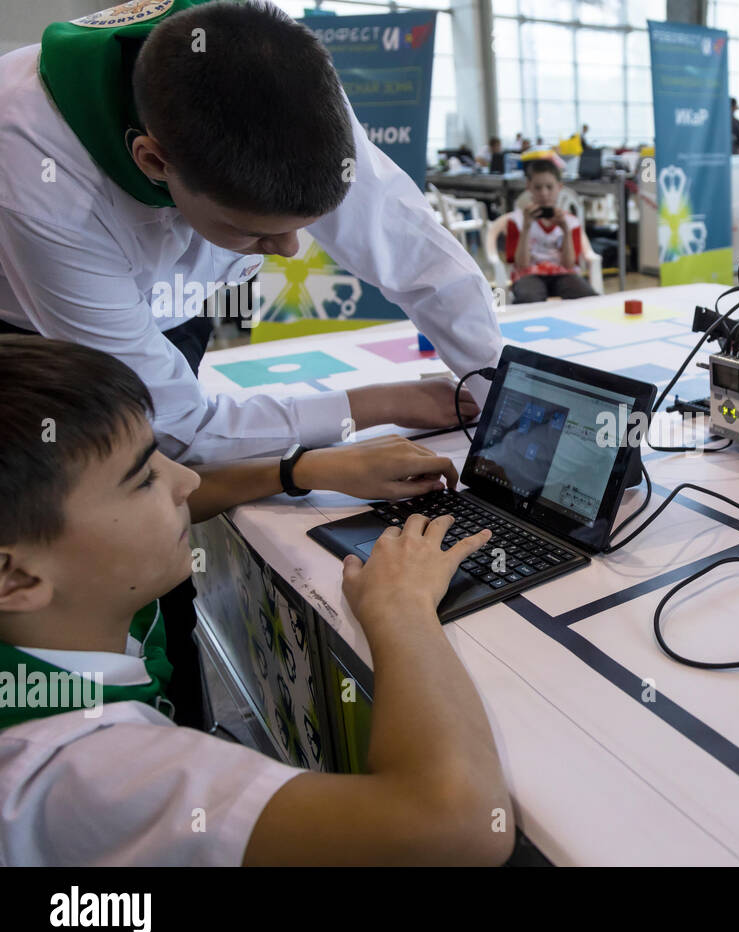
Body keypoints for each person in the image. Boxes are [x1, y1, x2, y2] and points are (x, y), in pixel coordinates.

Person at [0, 336, 515, 865]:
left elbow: (122, 512)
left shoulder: (62, 600)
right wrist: (401, 609)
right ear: (14, 577)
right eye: (143, 479)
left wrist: (302, 470)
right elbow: (458, 826)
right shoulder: (79, 772)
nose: (189, 480)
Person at [0, 1, 500, 466]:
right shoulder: (38, 174)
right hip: (35, 337)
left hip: (174, 302)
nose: (288, 251)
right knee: (115, 474)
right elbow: (176, 428)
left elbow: (416, 254)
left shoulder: (275, 74)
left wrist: (498, 391)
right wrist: (372, 404)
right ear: (155, 161)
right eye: (255, 233)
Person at [504, 156, 596, 303]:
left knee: (587, 296)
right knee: (528, 298)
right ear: (528, 186)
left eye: (549, 187)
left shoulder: (571, 222)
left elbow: (569, 264)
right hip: (529, 275)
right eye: (538, 187)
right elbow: (522, 265)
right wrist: (526, 228)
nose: (544, 193)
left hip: (563, 274)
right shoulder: (517, 221)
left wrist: (565, 230)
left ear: (559, 187)